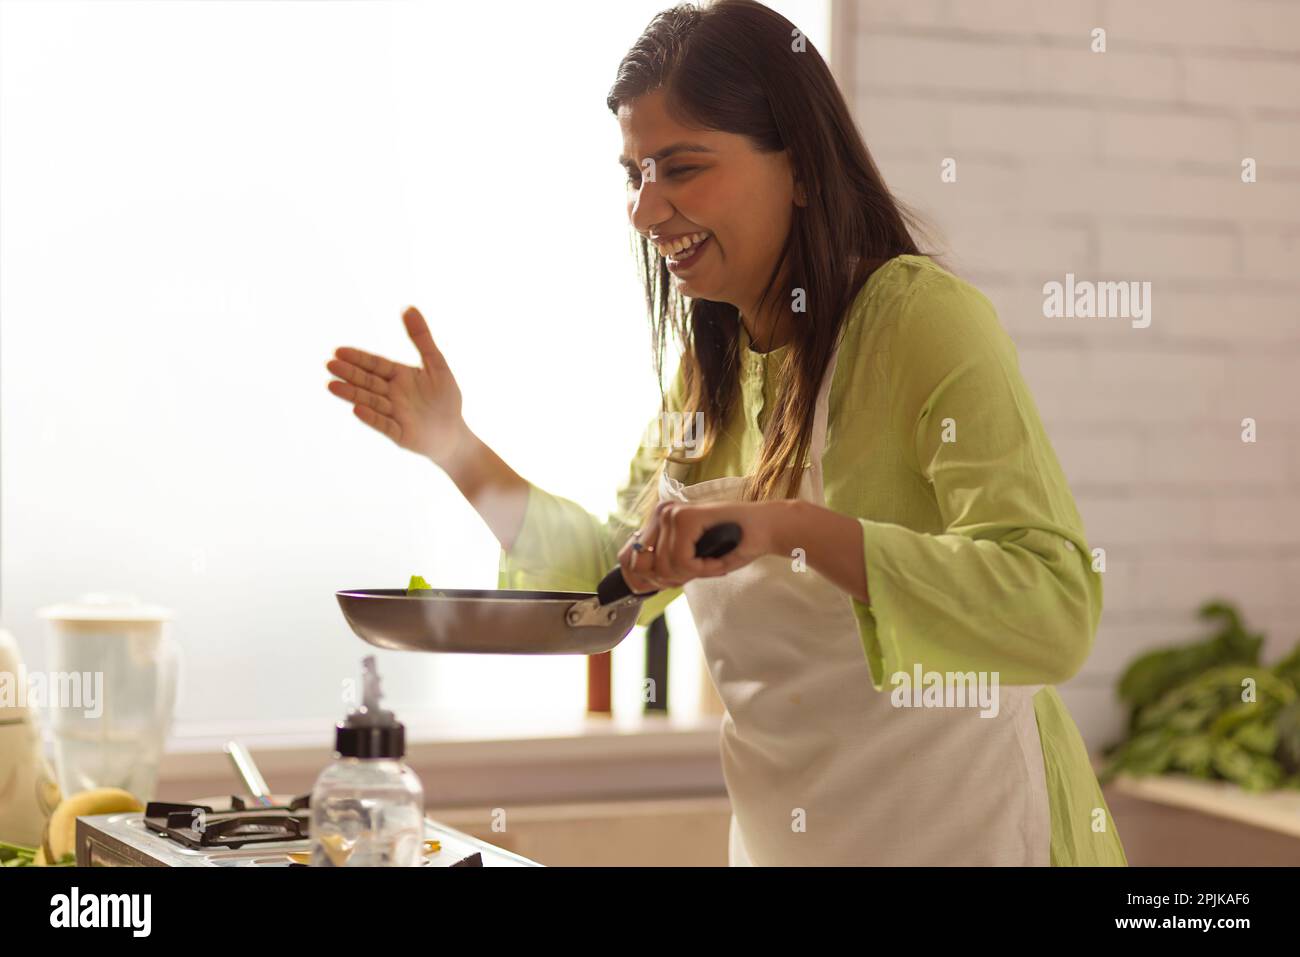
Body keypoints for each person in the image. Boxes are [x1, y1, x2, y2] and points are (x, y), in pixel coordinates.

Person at [326, 0, 1127, 866]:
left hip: (974, 837)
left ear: (803, 168)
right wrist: (456, 446)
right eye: (634, 172)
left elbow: (1054, 605)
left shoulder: (919, 322)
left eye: (682, 167)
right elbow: (600, 580)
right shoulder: (710, 370)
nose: (644, 209)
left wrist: (794, 530)